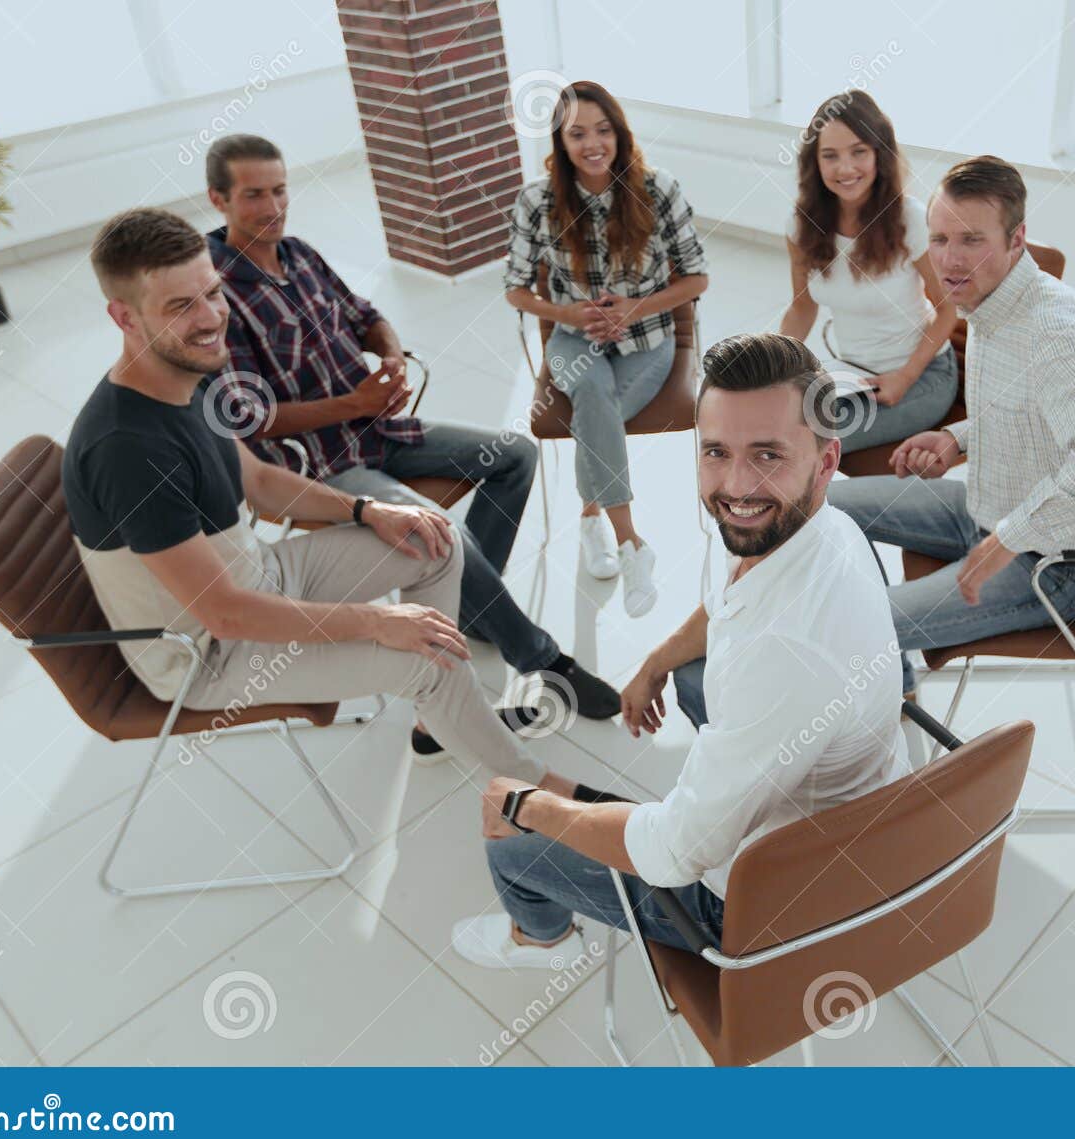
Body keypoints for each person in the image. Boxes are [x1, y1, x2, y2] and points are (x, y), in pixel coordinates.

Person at [449, 334, 909, 967]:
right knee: (696, 671)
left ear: (825, 461)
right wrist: (657, 661)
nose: (738, 485)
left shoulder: (785, 651)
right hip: (839, 799)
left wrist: (536, 806)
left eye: (768, 455)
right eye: (717, 452)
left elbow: (674, 854)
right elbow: (727, 607)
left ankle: (542, 940)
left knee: (509, 847)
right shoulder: (818, 525)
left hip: (763, 899)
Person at [62, 207, 552, 785]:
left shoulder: (190, 373)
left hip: (258, 575)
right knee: (427, 662)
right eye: (180, 306)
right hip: (209, 654)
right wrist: (375, 624)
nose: (211, 318)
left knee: (433, 536)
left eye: (213, 294)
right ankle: (549, 803)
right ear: (124, 317)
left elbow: (261, 480)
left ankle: (434, 721)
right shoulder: (128, 449)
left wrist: (371, 510)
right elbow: (225, 614)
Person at [202, 135, 618, 750]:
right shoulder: (216, 294)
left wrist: (391, 357)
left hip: (382, 427)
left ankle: (470, 610)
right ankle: (540, 657)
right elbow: (247, 417)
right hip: (320, 465)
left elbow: (365, 314)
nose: (273, 206)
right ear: (219, 199)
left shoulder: (298, 253)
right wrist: (354, 404)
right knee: (432, 527)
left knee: (515, 455)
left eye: (281, 189)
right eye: (255, 194)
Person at [828, 156, 1075, 695]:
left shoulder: (1051, 327)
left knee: (847, 630)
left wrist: (1010, 538)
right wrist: (954, 439)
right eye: (938, 239)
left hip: (1054, 566)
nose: (949, 261)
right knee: (819, 505)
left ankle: (875, 668)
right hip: (989, 507)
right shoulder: (990, 303)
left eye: (971, 240)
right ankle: (890, 672)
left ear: (1017, 239)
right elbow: (1029, 414)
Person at [504, 81, 709, 616]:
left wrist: (636, 309)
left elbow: (697, 279)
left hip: (648, 339)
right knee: (594, 392)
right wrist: (564, 314)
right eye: (578, 134)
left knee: (596, 408)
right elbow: (515, 288)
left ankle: (593, 519)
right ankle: (632, 543)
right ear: (561, 141)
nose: (593, 143)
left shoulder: (659, 188)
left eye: (603, 130)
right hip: (573, 336)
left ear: (619, 133)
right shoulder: (537, 200)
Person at [777, 91, 958, 455]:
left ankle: (811, 511)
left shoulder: (910, 219)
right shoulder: (802, 225)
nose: (845, 168)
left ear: (880, 153)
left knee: (801, 446)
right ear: (816, 162)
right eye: (830, 155)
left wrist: (905, 378)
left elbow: (949, 308)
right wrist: (772, 367)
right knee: (765, 423)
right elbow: (802, 309)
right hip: (849, 376)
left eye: (859, 151)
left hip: (921, 376)